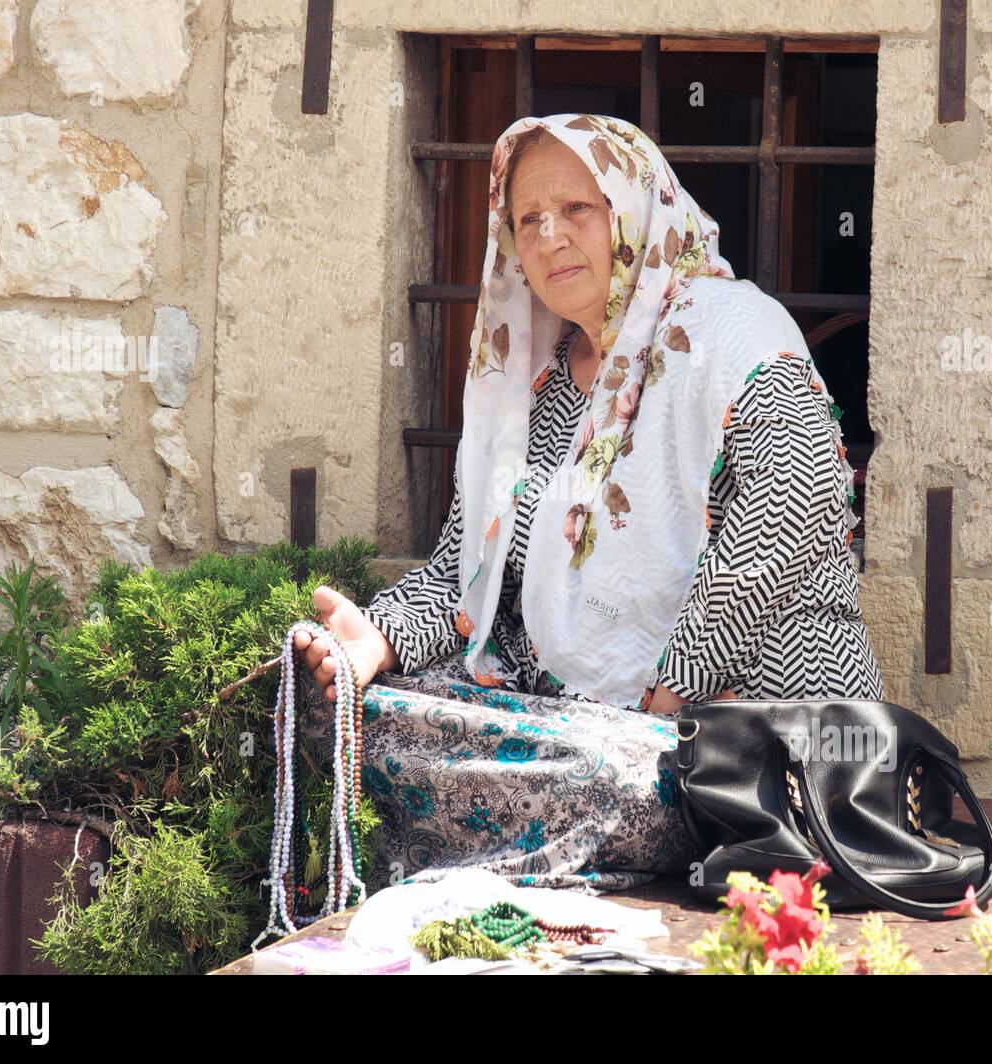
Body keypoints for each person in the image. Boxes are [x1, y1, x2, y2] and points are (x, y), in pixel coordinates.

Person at [295, 113, 885, 892]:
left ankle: (566, 828)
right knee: (349, 715)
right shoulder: (539, 394)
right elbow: (465, 575)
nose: (548, 238)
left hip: (742, 729)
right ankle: (549, 830)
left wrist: (668, 695)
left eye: (577, 209)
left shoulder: (731, 327)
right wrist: (378, 640)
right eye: (527, 220)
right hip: (587, 725)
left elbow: (794, 501)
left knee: (592, 768)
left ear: (636, 208)